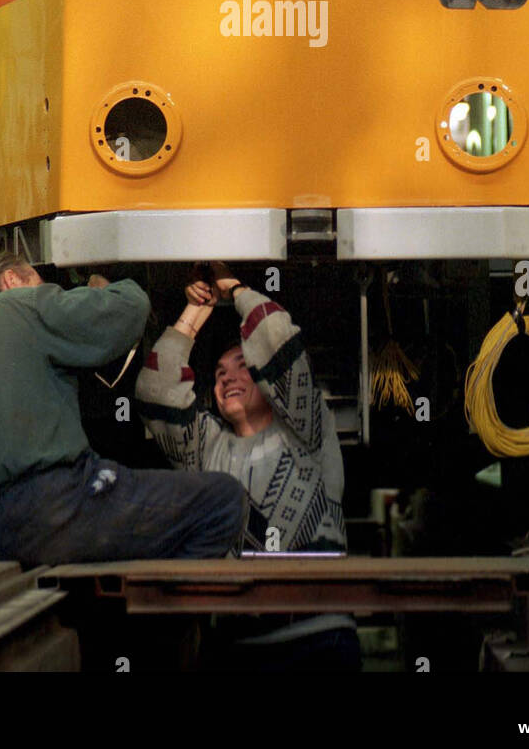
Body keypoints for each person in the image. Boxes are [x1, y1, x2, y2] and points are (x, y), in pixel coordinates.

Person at [0, 253, 247, 567]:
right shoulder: (23, 305)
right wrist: (101, 287)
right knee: (223, 499)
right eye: (40, 281)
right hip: (50, 504)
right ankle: (166, 611)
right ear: (11, 280)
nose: (47, 289)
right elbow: (130, 308)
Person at [135, 262, 361, 671]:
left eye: (243, 367)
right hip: (236, 649)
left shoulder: (306, 430)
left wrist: (233, 289)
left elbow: (277, 339)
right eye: (220, 373)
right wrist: (193, 315)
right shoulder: (206, 449)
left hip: (319, 639)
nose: (228, 378)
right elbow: (156, 392)